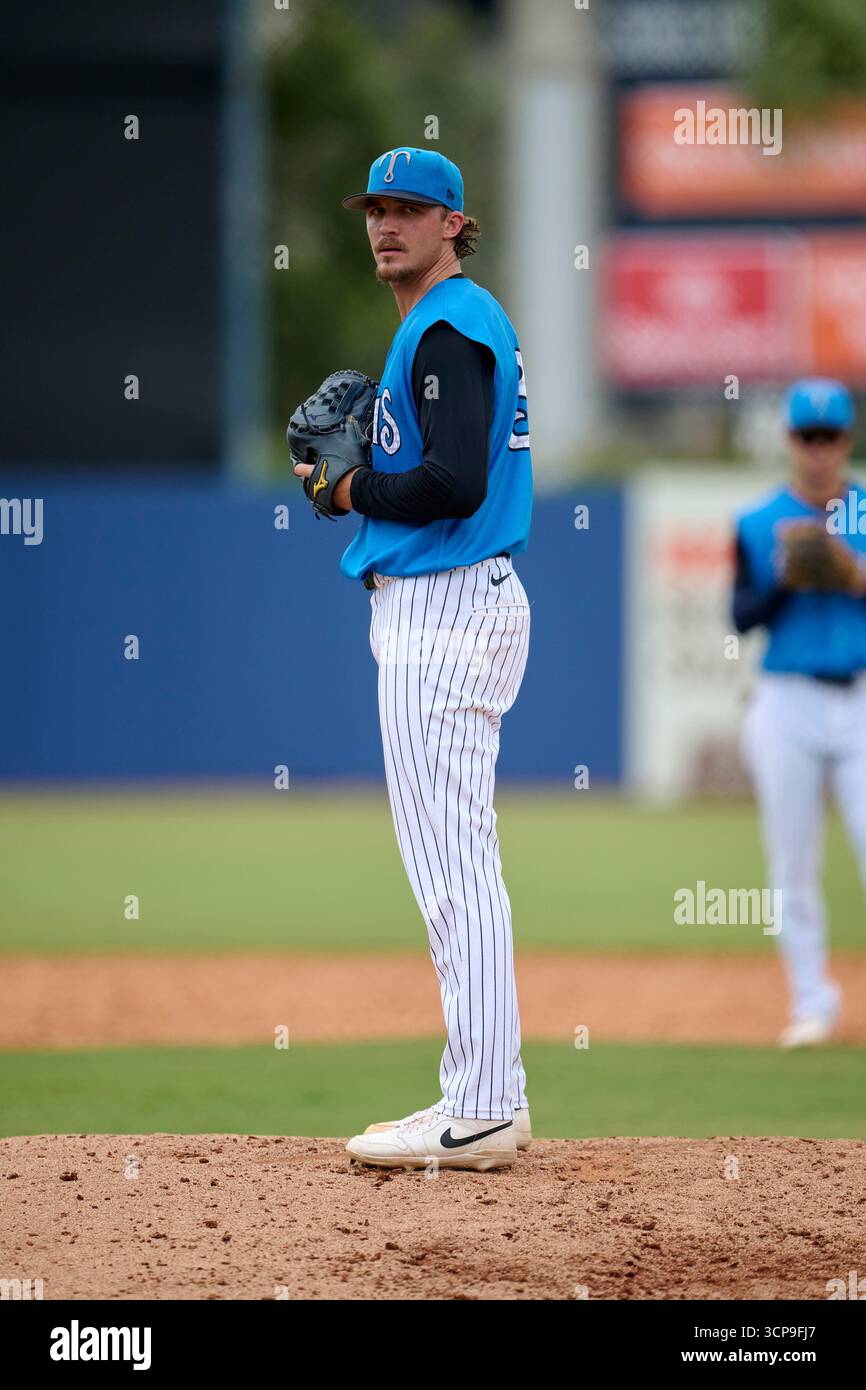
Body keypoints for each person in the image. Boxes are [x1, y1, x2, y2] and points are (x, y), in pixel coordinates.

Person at [293, 147, 533, 1169]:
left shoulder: (446, 323)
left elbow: (449, 483)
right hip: (446, 603)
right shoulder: (445, 325)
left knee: (451, 869)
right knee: (455, 860)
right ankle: (492, 1094)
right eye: (375, 209)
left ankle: (477, 1102)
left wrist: (345, 493)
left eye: (410, 209)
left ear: (453, 224)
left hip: (444, 606)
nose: (386, 224)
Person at [733, 378, 866, 1047]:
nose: (818, 449)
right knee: (792, 860)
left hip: (862, 697)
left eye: (830, 435)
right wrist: (784, 579)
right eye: (806, 435)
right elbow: (741, 616)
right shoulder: (758, 521)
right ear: (790, 439)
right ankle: (812, 1001)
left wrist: (850, 571)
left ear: (847, 439)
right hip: (786, 699)